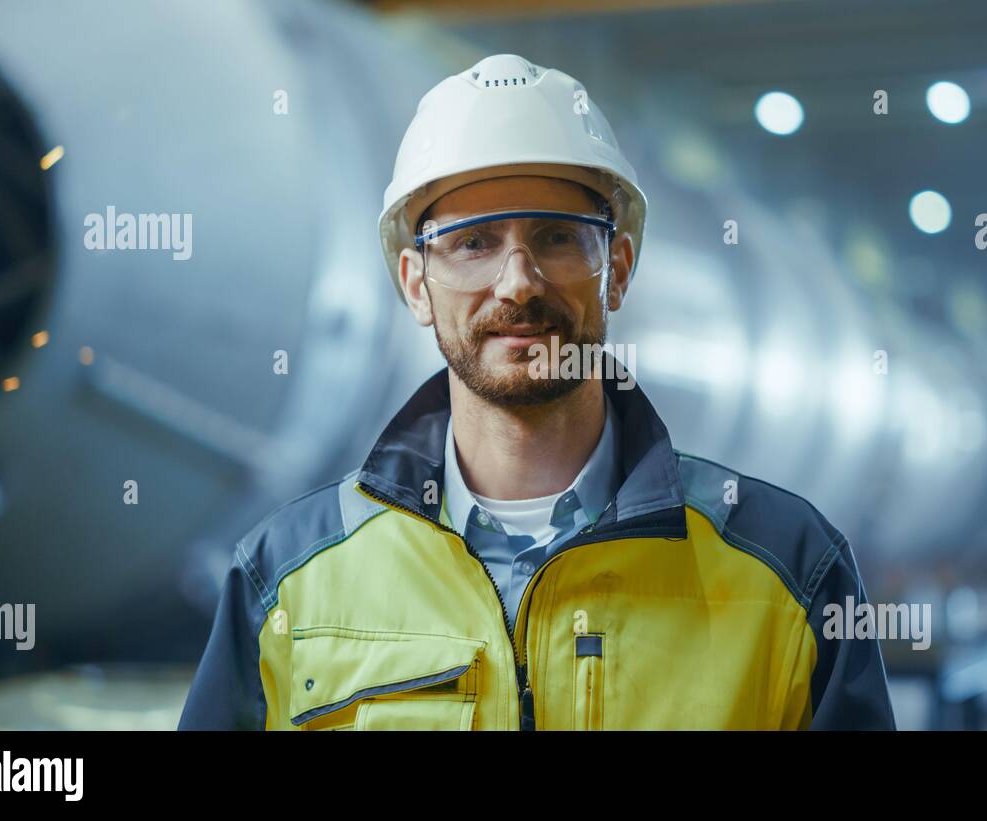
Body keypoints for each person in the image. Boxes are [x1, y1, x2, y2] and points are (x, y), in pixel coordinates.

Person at [178, 53, 895, 730]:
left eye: (557, 238)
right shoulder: (285, 580)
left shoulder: (790, 570)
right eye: (472, 243)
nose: (518, 283)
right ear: (414, 284)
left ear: (617, 267)